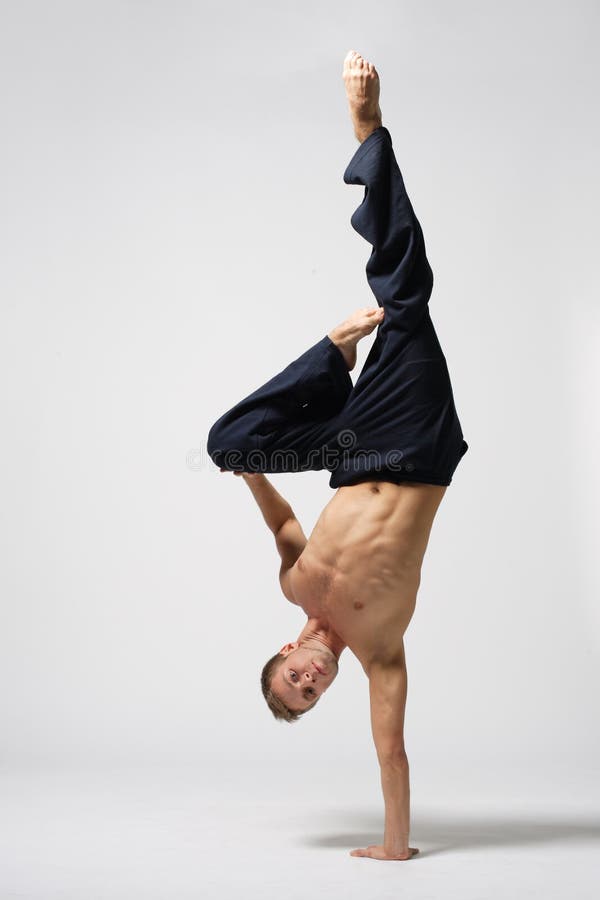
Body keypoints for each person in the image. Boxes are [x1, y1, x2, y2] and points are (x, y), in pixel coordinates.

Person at [206, 50, 469, 861]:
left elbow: (281, 517)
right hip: (420, 442)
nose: (312, 683)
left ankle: (332, 349)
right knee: (407, 295)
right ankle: (371, 133)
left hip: (356, 444)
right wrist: (395, 849)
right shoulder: (381, 653)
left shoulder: (297, 579)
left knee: (225, 444)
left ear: (287, 652)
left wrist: (251, 469)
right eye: (313, 697)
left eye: (295, 681)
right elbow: (391, 755)